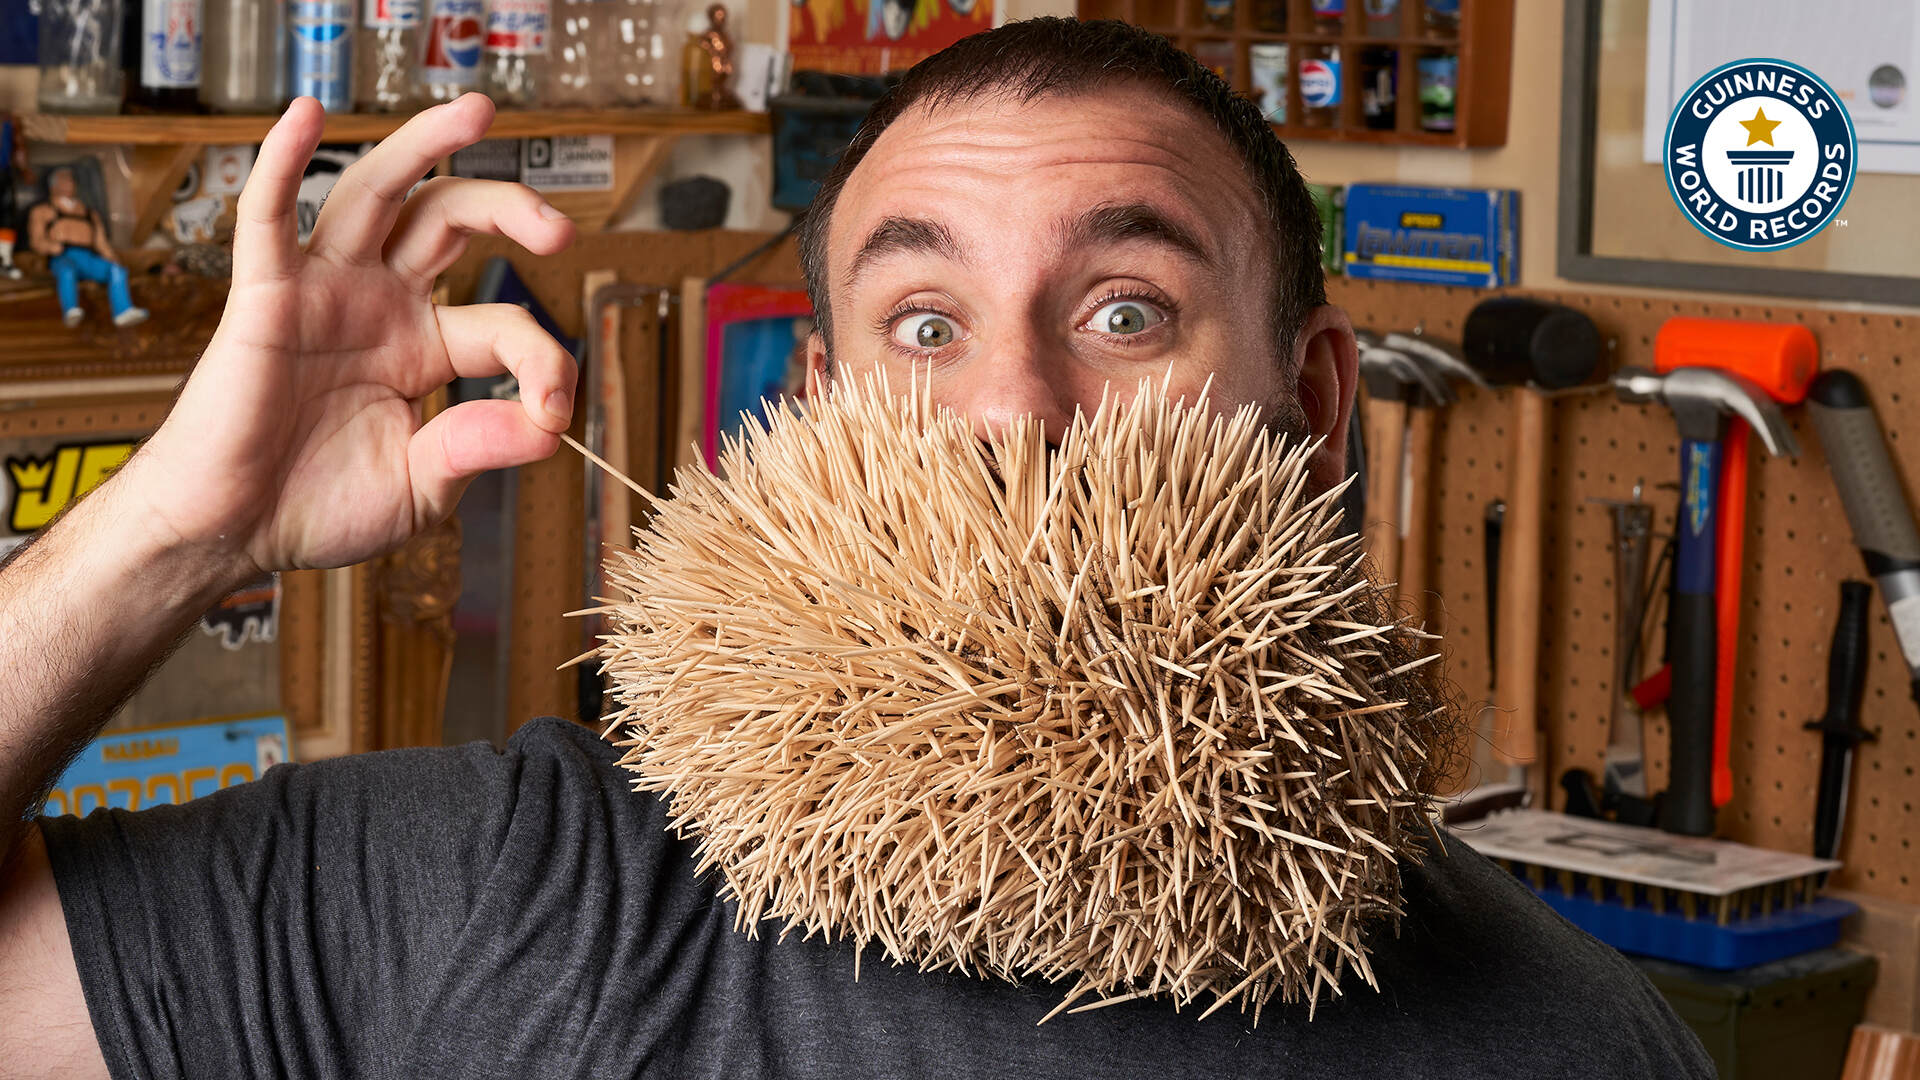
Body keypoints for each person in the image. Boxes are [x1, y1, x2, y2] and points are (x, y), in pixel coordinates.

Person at [0, 18, 1712, 1078]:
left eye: (1126, 310)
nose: (1011, 408)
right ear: (816, 403)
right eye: (925, 324)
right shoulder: (518, 888)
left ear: (1314, 404)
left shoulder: (1569, 1040)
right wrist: (181, 524)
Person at [24, 166, 150, 327]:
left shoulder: (89, 213)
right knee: (66, 272)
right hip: (63, 255)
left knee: (116, 270)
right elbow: (36, 240)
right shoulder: (42, 211)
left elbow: (101, 243)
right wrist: (50, 247)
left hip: (87, 257)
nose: (69, 183)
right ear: (53, 186)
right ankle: (70, 310)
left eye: (71, 180)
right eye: (64, 180)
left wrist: (112, 258)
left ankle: (122, 311)